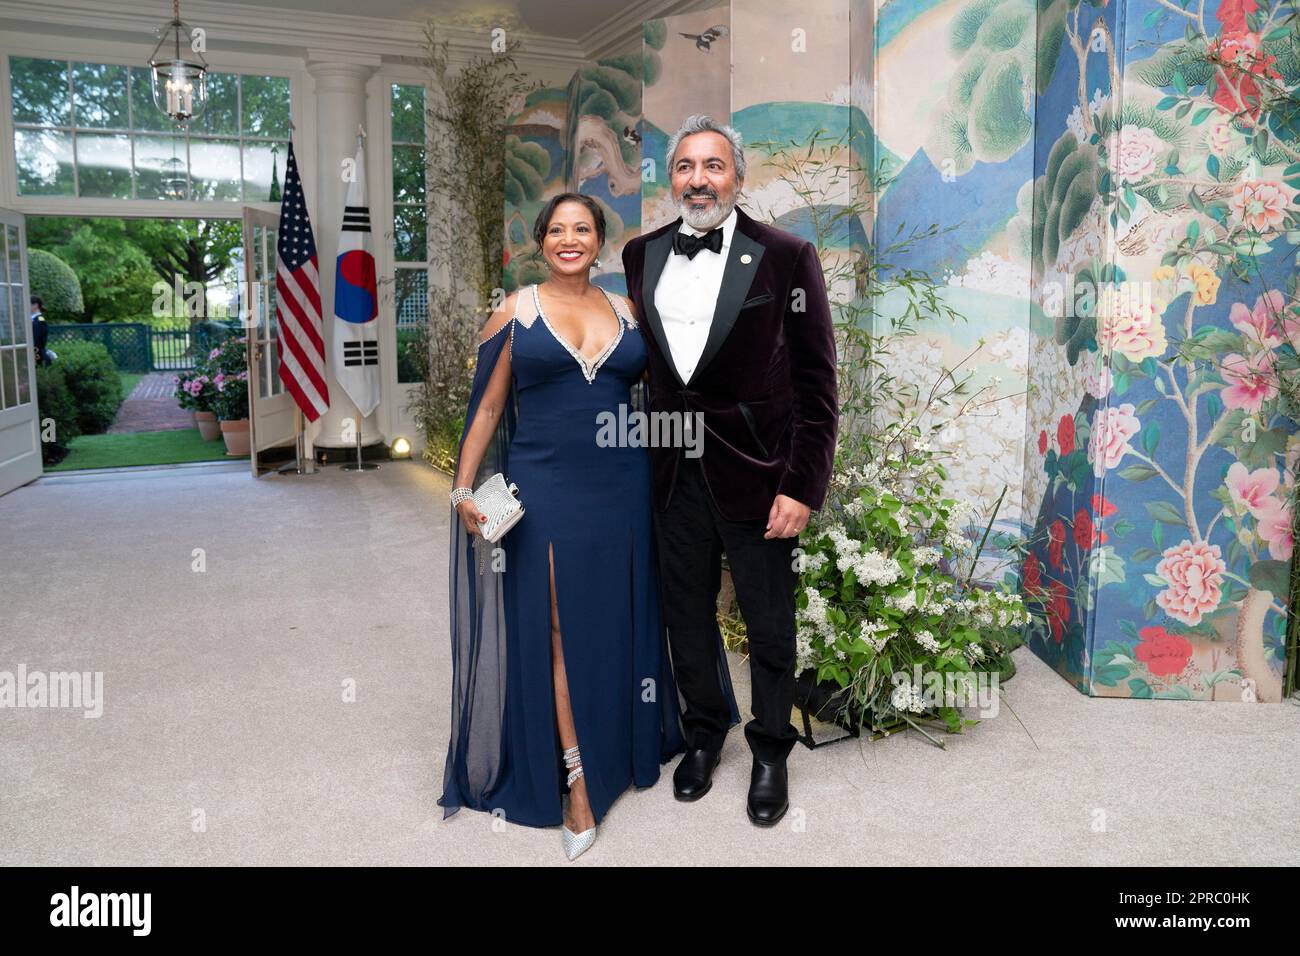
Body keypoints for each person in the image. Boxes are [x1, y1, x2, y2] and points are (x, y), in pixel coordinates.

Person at [439, 192, 716, 860]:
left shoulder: (626, 311)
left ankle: (619, 742)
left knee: (614, 620)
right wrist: (460, 487)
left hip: (621, 490)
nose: (570, 239)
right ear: (541, 242)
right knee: (558, 627)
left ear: (599, 241)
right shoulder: (514, 311)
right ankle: (578, 781)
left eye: (582, 229)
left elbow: (671, 393)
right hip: (545, 490)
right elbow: (487, 410)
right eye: (557, 230)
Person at [621, 115, 839, 826]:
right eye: (686, 166)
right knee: (685, 617)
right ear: (672, 177)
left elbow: (817, 387)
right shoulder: (640, 253)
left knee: (770, 625)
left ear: (738, 177)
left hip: (760, 476)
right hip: (672, 476)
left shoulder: (786, 255)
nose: (699, 179)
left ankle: (772, 748)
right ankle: (704, 733)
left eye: (713, 166)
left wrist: (802, 487)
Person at [30, 295, 49, 367]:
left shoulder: (40, 320)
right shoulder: (34, 319)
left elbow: (37, 340)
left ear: (35, 305)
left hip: (37, 355)